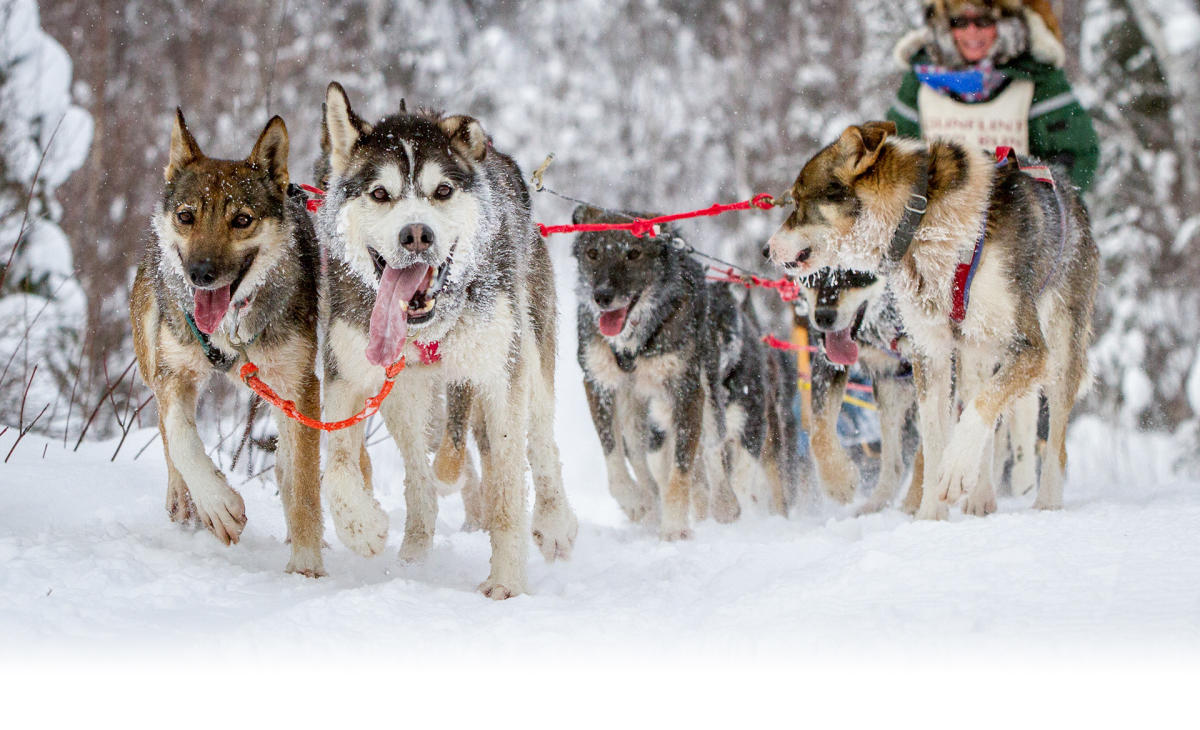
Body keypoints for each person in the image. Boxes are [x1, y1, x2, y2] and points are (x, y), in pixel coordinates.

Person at [887, 0, 1099, 191]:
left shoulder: (1037, 77)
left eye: (983, 21)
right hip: (940, 214)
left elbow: (1075, 155)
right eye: (960, 22)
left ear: (1004, 24)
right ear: (945, 27)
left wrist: (1042, 196)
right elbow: (896, 154)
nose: (972, 31)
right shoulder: (919, 80)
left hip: (1017, 213)